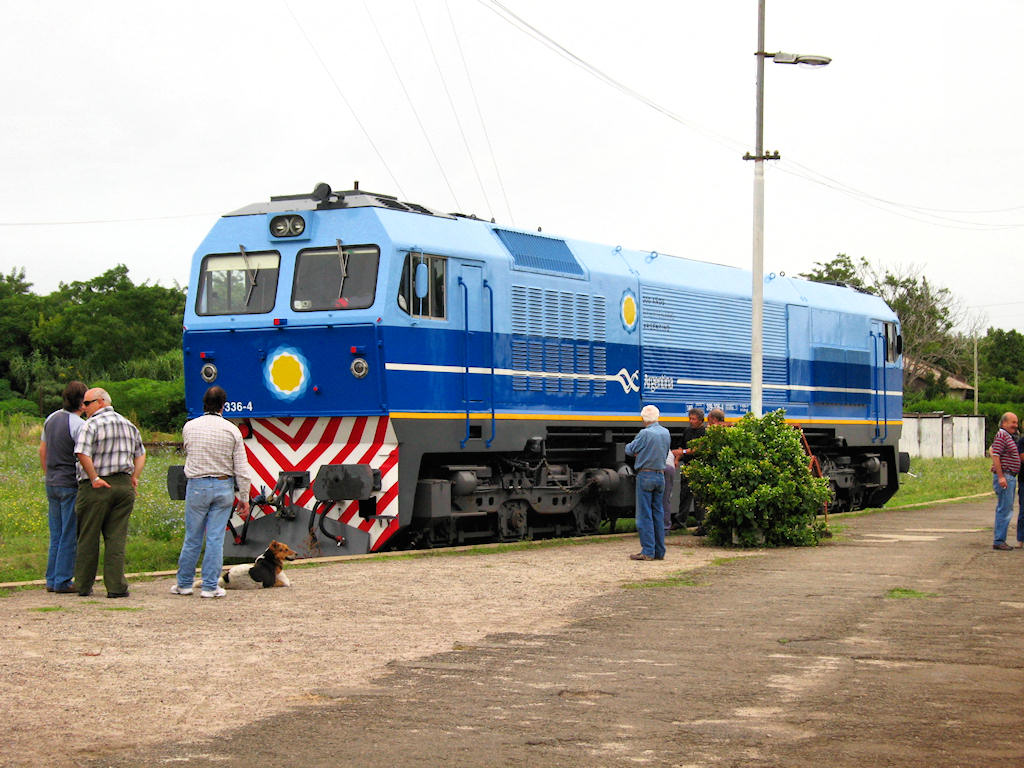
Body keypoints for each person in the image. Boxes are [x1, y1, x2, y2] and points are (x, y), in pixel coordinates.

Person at [172, 386, 251, 599]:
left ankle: (184, 584)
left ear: (204, 403)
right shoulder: (232, 430)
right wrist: (244, 497)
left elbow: (189, 450)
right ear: (223, 406)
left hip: (197, 486)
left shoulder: (190, 427)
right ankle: (209, 586)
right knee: (215, 538)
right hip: (223, 486)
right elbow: (242, 469)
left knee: (192, 537)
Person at [73, 388, 146, 597]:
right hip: (123, 485)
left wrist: (94, 477)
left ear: (101, 402)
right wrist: (135, 477)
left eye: (87, 403)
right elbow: (140, 454)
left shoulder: (91, 424)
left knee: (88, 536)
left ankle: (84, 585)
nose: (84, 407)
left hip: (96, 487)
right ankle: (116, 587)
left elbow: (81, 452)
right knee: (116, 538)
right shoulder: (128, 424)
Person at [39, 380, 88, 593]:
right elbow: (82, 454)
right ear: (81, 401)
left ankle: (51, 578)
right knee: (69, 533)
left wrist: (48, 473)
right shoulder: (78, 425)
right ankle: (63, 580)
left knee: (56, 533)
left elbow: (43, 450)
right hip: (69, 482)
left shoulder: (51, 418)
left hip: (52, 481)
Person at [625, 405, 671, 561]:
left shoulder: (645, 433)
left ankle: (648, 551)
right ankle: (660, 551)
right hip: (660, 475)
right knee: (658, 513)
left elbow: (630, 450)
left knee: (645, 515)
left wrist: (639, 451)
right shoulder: (666, 432)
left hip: (646, 475)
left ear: (643, 418)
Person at [989, 412, 1020, 551]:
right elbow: (995, 454)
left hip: (1010, 476)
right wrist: (1001, 476)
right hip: (1006, 476)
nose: (1015, 425)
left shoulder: (1008, 436)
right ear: (1004, 423)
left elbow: (998, 454)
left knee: (1006, 508)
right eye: (1013, 422)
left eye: (1016, 422)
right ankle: (999, 540)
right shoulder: (1002, 435)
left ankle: (1000, 539)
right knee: (1005, 509)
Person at [673, 408, 707, 532]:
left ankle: (701, 524)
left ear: (701, 421)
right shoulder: (687, 431)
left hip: (699, 467)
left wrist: (684, 452)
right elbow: (682, 446)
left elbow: (698, 448)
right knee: (684, 495)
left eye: (693, 419)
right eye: (690, 418)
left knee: (699, 498)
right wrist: (677, 458)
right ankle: (680, 520)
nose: (691, 421)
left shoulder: (704, 432)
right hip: (687, 466)